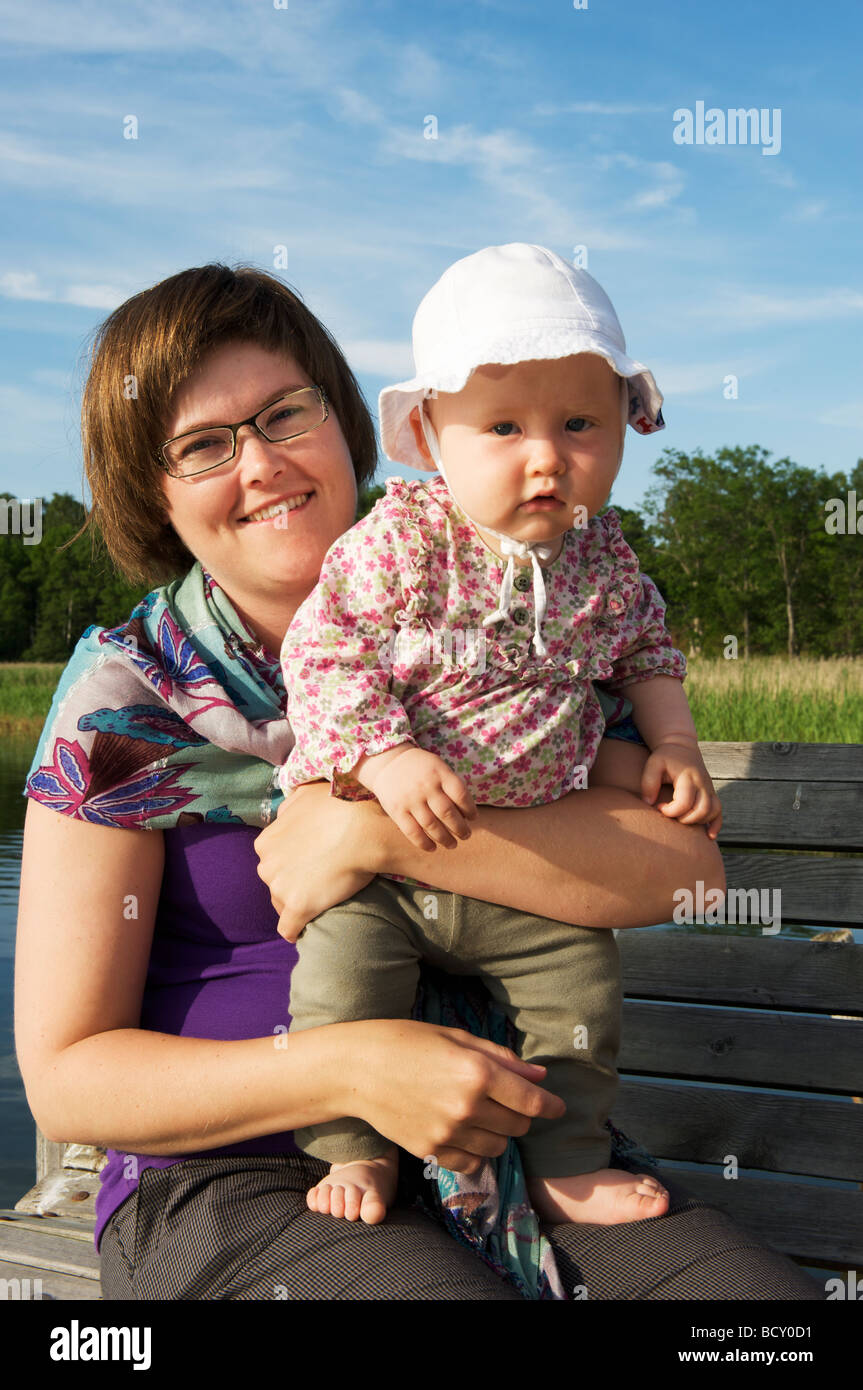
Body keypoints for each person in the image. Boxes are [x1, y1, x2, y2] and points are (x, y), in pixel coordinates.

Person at [14, 262, 823, 1300]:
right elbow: (70, 1075)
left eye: (282, 413)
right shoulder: (125, 698)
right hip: (236, 1173)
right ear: (155, 491)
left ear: (345, 420)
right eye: (205, 445)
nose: (259, 463)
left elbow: (683, 871)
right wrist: (353, 1067)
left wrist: (372, 834)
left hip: (523, 1140)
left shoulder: (518, 594)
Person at [278, 244, 724, 1231]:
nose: (545, 455)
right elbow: (324, 646)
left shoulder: (602, 559)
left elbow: (646, 652)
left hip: (525, 874)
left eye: (578, 424)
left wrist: (674, 747)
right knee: (341, 978)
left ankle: (567, 1158)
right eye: (504, 427)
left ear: (620, 428)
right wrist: (383, 755)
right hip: (384, 872)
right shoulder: (401, 543)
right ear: (432, 437)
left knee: (580, 993)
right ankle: (351, 1147)